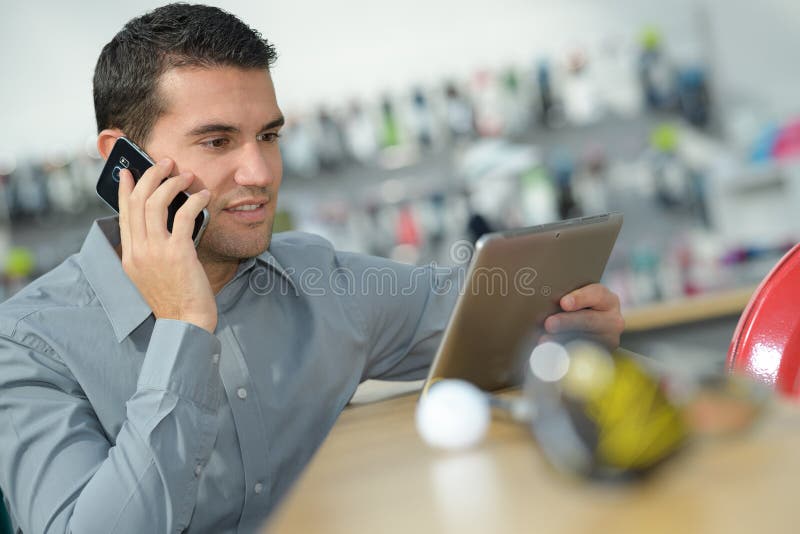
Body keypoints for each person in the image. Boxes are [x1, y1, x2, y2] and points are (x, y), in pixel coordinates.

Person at [0, 4, 625, 533]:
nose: (261, 173)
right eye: (218, 142)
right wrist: (184, 323)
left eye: (268, 136)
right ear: (122, 160)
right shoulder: (29, 345)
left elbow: (489, 313)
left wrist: (566, 328)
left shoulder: (318, 278)